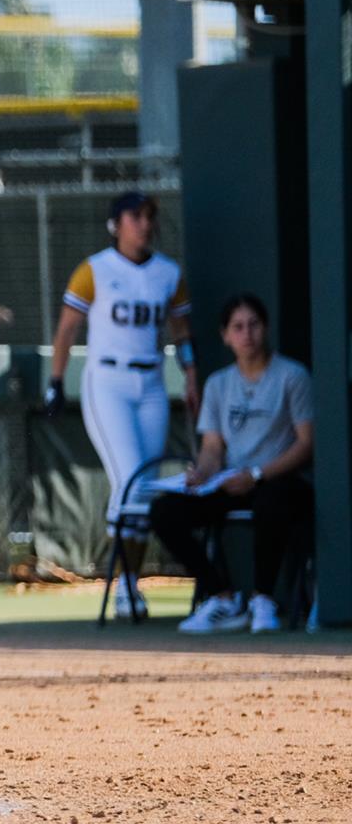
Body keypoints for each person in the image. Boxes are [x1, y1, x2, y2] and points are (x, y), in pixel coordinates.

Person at [46, 190, 196, 619]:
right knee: (130, 478)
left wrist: (190, 374)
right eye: (135, 216)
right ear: (116, 223)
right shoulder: (95, 270)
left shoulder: (168, 273)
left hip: (150, 380)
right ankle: (126, 586)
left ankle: (129, 584)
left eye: (149, 216)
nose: (144, 224)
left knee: (144, 488)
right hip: (106, 380)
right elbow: (66, 330)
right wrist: (55, 381)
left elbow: (183, 332)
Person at [158, 294, 314, 635]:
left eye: (253, 325)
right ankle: (223, 597)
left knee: (273, 502)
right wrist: (202, 473)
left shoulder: (292, 376)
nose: (247, 334)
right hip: (231, 482)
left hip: (277, 480)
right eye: (238, 327)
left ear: (266, 328)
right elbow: (213, 446)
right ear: (226, 336)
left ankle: (263, 600)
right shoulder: (218, 383)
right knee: (165, 512)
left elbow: (306, 443)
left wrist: (257, 475)